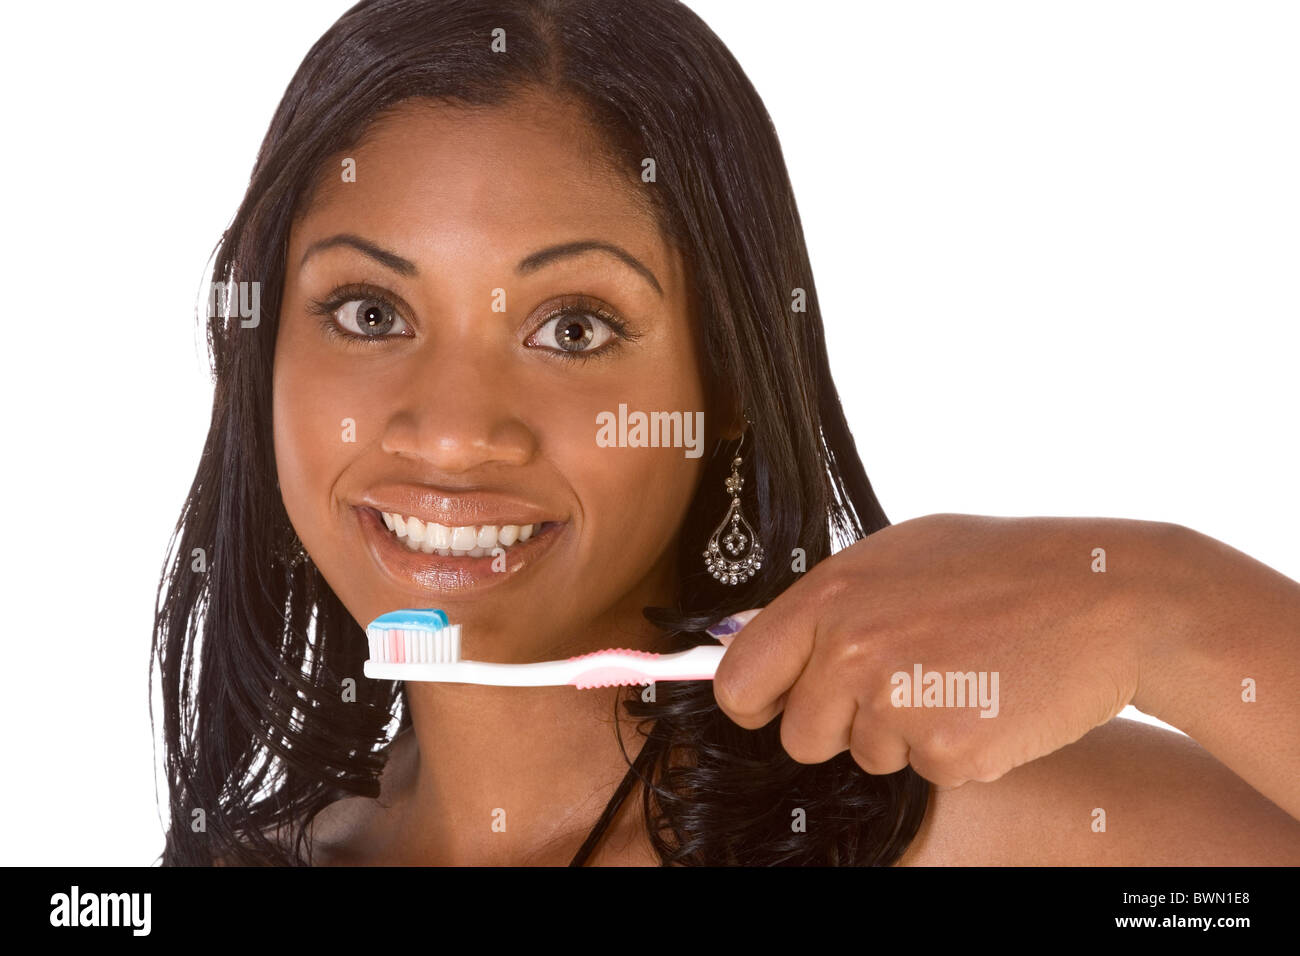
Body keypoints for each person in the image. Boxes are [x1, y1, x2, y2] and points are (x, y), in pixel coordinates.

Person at [152, 0, 1300, 866]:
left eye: (574, 325)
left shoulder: (967, 833)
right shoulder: (257, 852)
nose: (451, 435)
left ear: (729, 383)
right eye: (369, 312)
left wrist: (1169, 604)